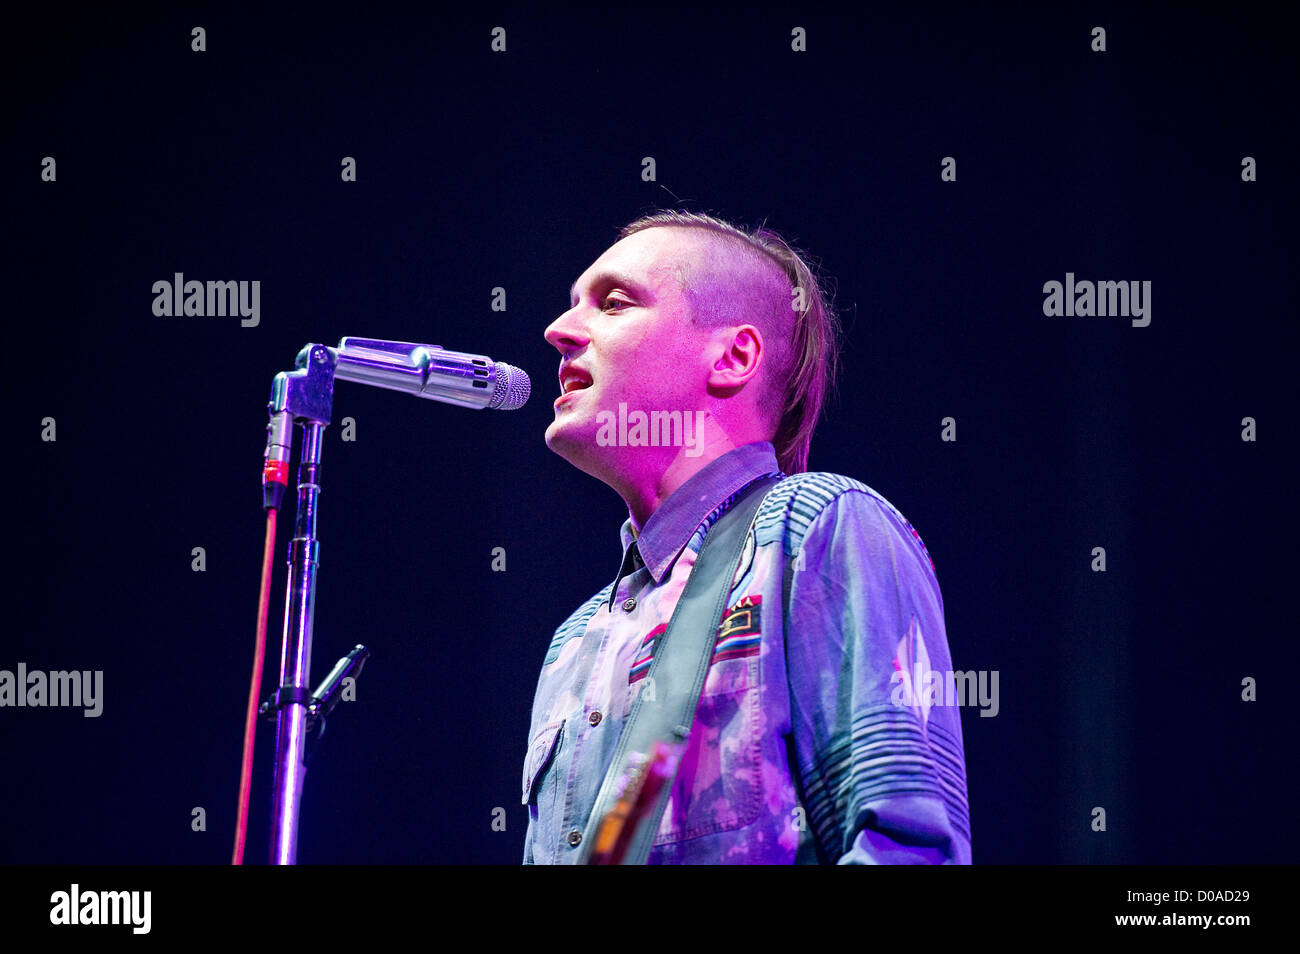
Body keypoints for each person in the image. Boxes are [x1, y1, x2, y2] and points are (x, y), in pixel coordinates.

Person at [522, 210, 971, 864]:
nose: (559, 331)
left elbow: (907, 848)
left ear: (733, 358)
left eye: (613, 304)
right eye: (572, 306)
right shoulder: (574, 640)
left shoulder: (818, 528)